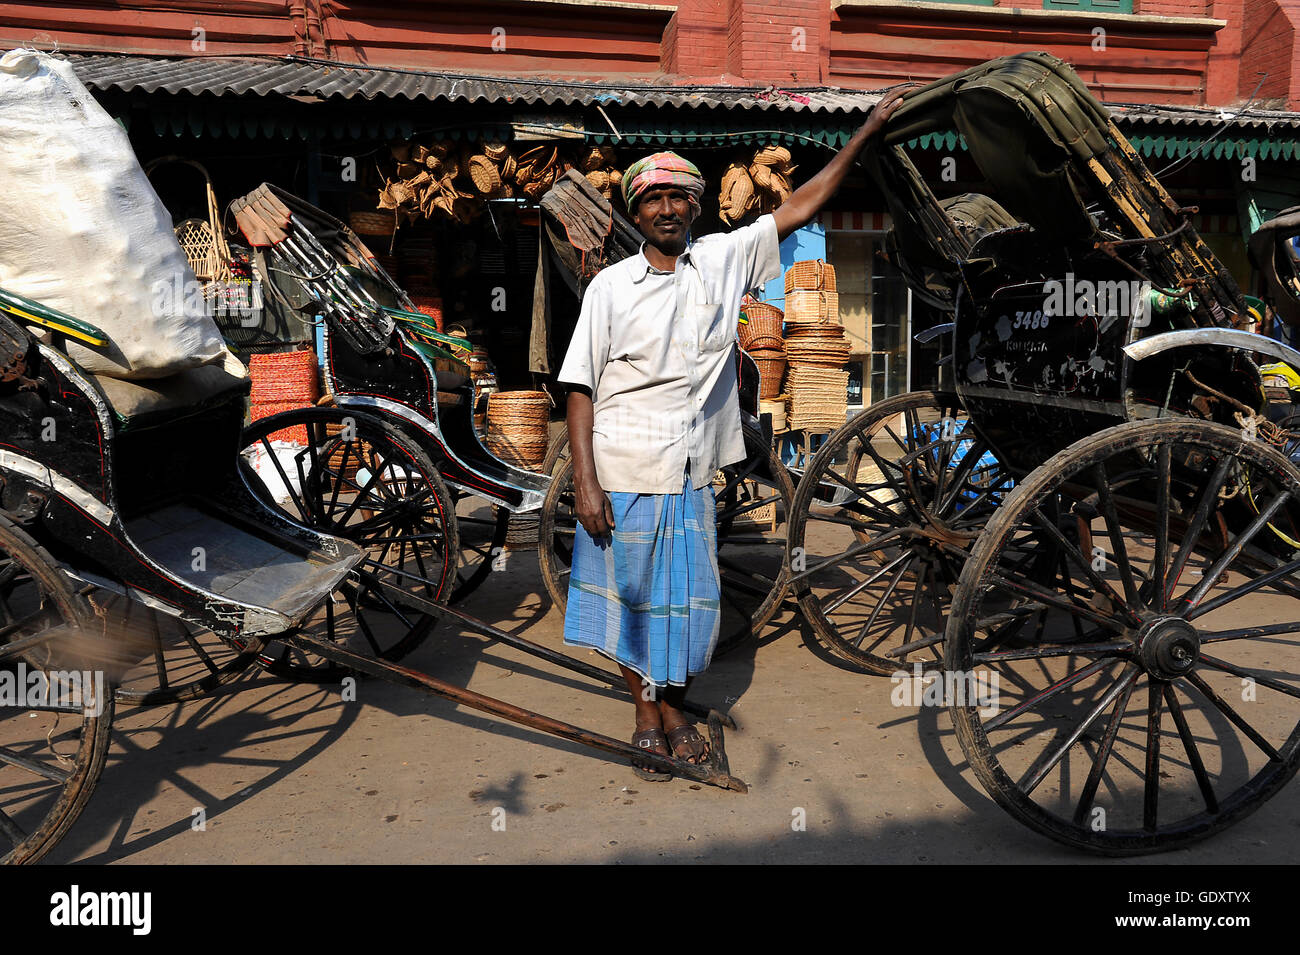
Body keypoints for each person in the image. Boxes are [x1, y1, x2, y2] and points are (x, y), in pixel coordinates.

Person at [556, 88, 908, 780]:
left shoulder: (722, 259)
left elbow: (801, 204)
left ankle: (674, 708)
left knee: (684, 609)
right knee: (633, 608)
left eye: (679, 198)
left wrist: (865, 132)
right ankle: (648, 717)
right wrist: (586, 483)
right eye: (653, 199)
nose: (666, 209)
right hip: (623, 470)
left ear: (694, 207)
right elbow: (579, 387)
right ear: (636, 212)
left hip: (691, 475)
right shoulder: (609, 288)